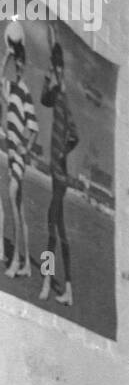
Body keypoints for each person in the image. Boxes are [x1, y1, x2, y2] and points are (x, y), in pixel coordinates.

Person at [38, 40, 77, 307]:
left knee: (52, 225)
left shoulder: (64, 100)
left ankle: (46, 282)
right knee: (58, 228)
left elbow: (76, 136)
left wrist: (62, 154)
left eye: (58, 69)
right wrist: (47, 75)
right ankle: (68, 289)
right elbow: (44, 99)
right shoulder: (58, 96)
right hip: (56, 173)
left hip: (60, 175)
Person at [3, 37, 39, 279]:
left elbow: (34, 128)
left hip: (18, 157)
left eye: (19, 63)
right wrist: (6, 54)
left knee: (12, 196)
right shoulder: (12, 88)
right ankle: (26, 264)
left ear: (24, 65)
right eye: (15, 62)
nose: (17, 66)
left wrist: (24, 149)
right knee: (20, 209)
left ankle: (16, 260)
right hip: (11, 153)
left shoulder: (24, 92)